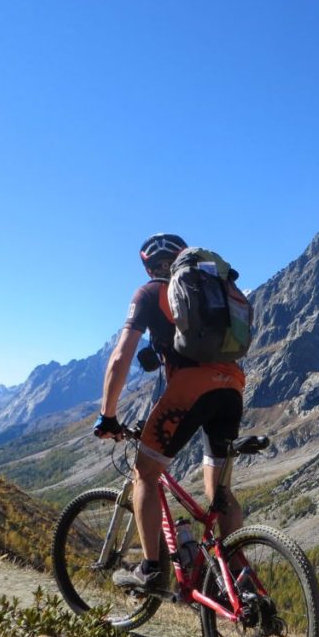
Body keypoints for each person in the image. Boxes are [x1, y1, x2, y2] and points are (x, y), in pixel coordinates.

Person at [93, 233, 246, 590]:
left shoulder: (148, 294)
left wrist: (108, 415)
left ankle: (151, 570)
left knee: (145, 473)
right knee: (219, 493)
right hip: (232, 384)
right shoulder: (205, 292)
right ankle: (238, 581)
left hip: (190, 389)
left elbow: (119, 358)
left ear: (147, 265)